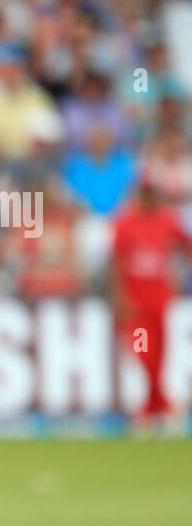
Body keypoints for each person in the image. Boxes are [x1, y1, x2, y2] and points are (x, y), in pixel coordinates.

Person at [112, 176, 190, 427]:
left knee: (160, 355)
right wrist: (121, 296)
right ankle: (159, 404)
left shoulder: (168, 220)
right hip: (136, 306)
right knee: (143, 352)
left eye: (151, 192)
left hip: (160, 301)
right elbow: (117, 263)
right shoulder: (125, 223)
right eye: (144, 193)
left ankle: (153, 407)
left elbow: (186, 246)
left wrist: (178, 277)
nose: (148, 198)